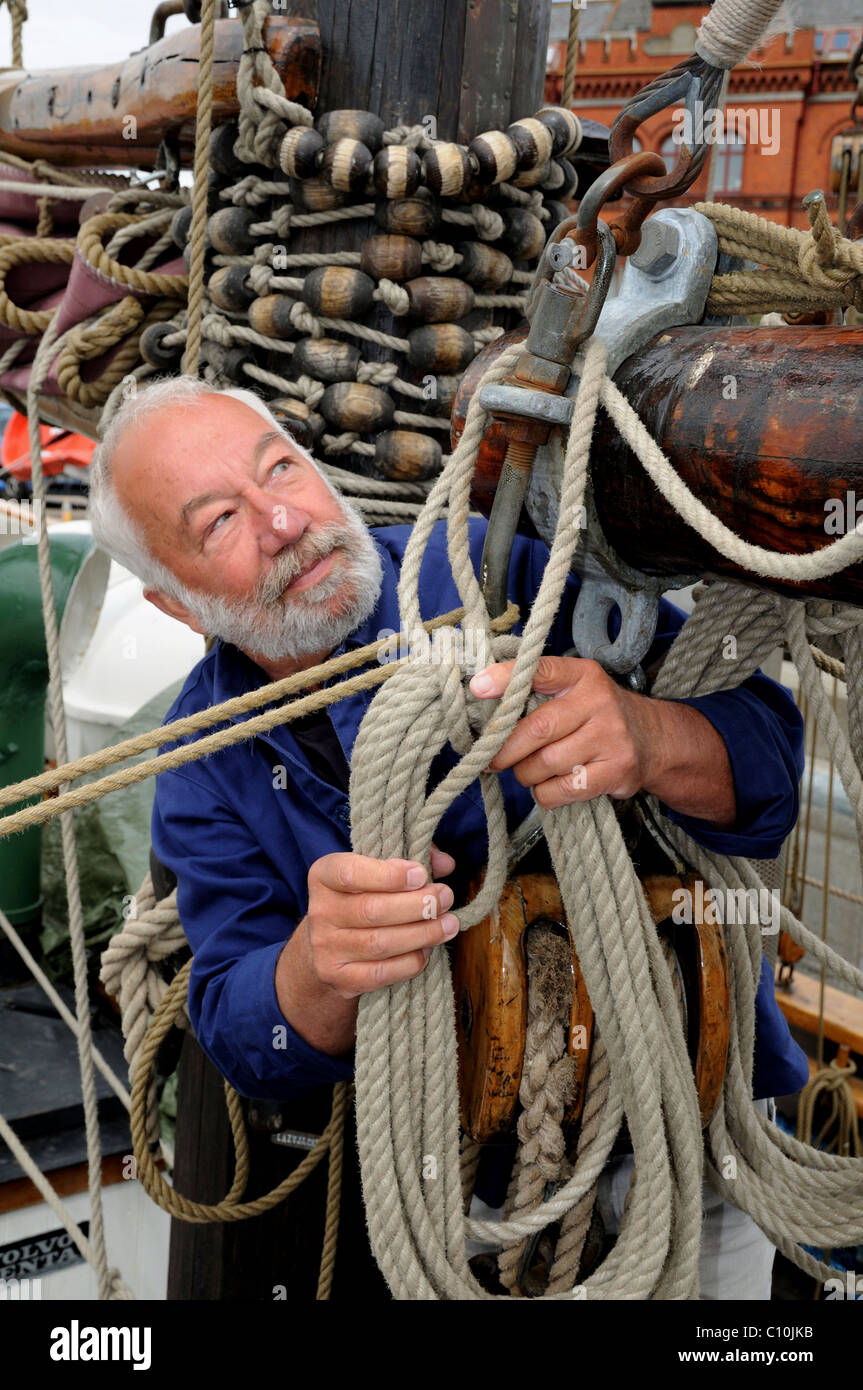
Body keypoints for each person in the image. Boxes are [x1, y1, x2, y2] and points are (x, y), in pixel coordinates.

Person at [89, 376, 809, 1298]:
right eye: (219, 522)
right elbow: (239, 1029)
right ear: (177, 607)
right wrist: (317, 964)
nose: (280, 521)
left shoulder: (496, 567)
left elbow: (770, 762)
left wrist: (645, 736)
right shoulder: (204, 759)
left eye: (281, 470)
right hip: (458, 1183)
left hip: (690, 1124)